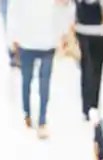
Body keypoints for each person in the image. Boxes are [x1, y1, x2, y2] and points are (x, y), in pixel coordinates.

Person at [8, 0, 71, 138]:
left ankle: (34, 116)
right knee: (39, 80)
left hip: (39, 40)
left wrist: (13, 37)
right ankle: (34, 116)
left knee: (31, 80)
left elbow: (13, 11)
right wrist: (64, 32)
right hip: (36, 40)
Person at [74, 0, 103, 121]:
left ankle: (88, 107)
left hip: (84, 28)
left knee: (86, 68)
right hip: (100, 29)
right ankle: (93, 105)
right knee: (96, 69)